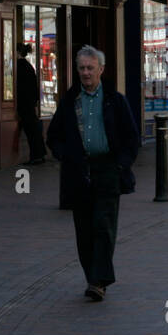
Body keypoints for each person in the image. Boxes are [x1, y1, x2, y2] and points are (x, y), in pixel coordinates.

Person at [46, 46, 139, 301]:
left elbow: (132, 138)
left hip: (108, 169)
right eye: (82, 68)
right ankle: (92, 276)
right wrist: (66, 156)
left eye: (90, 68)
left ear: (101, 69)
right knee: (84, 229)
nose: (86, 73)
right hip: (80, 172)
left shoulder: (114, 99)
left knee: (104, 227)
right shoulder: (69, 101)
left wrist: (121, 165)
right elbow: (53, 136)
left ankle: (99, 281)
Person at [15, 42, 45, 165]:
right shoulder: (28, 66)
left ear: (17, 52)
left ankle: (36, 156)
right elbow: (34, 86)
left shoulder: (20, 66)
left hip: (24, 103)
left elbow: (20, 87)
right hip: (30, 103)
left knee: (31, 131)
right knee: (34, 130)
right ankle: (39, 155)